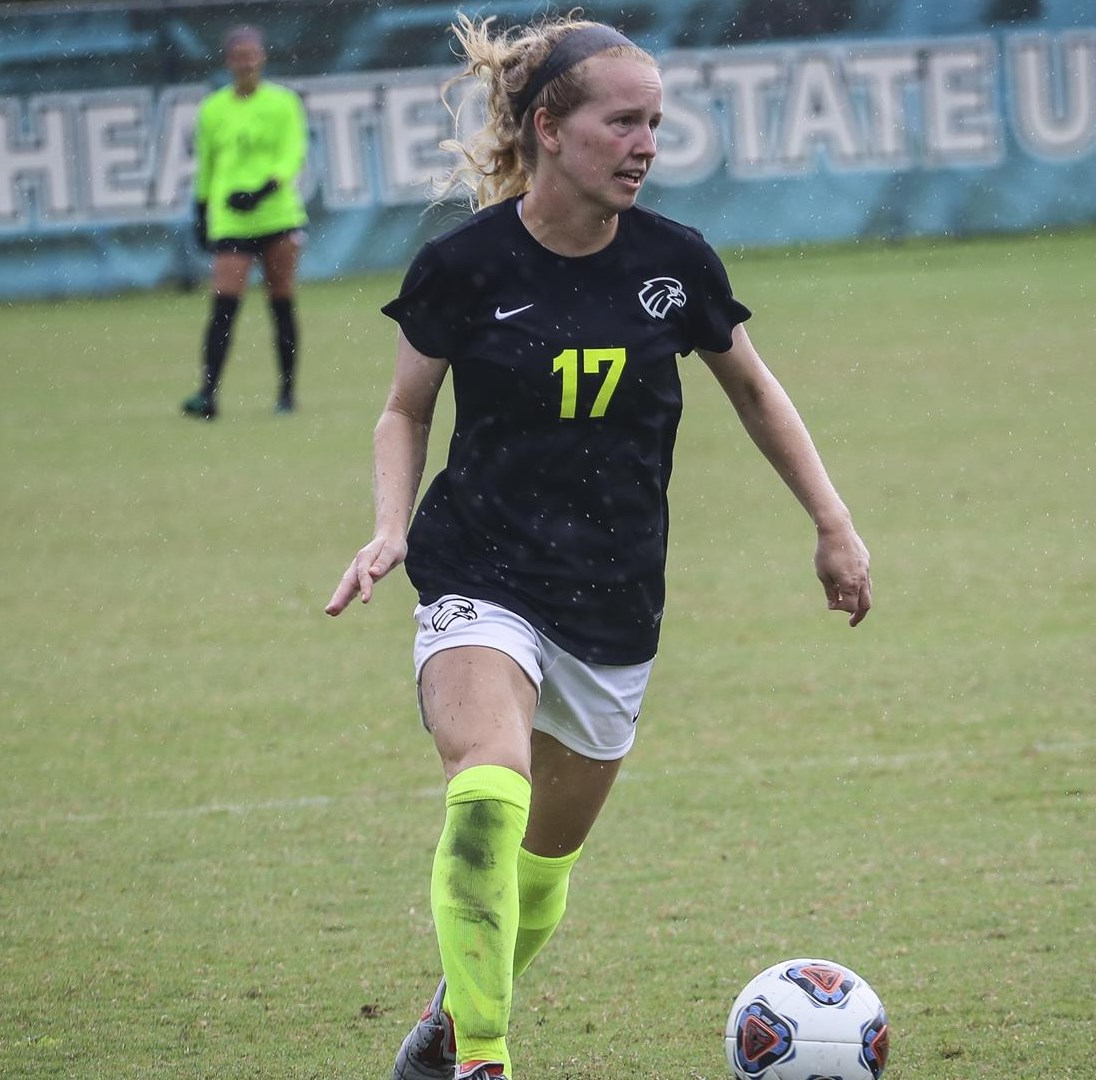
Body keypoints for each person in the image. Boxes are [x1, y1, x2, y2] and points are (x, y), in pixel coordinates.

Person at [323, 15, 872, 1080]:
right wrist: (390, 527)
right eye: (622, 122)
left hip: (614, 598)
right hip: (479, 569)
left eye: (654, 123)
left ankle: (447, 1021)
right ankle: (483, 1059)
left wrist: (832, 522)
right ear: (548, 128)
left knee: (541, 869)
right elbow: (404, 410)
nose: (645, 144)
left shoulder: (674, 263)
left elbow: (754, 391)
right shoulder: (462, 266)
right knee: (488, 790)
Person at [181, 24, 308, 421]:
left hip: (277, 214)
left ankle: (286, 393)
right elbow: (206, 164)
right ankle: (207, 394)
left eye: (251, 55)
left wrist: (262, 191)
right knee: (224, 304)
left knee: (280, 302)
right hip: (231, 219)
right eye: (239, 56)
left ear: (262, 57)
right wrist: (201, 210)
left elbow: (293, 153)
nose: (246, 63)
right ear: (228, 61)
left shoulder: (283, 102)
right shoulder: (213, 108)